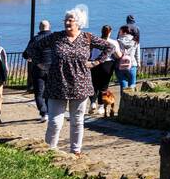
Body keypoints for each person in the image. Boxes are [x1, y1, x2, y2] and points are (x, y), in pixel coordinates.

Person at [26, 9, 112, 155]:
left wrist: (96, 62)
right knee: (54, 122)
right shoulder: (56, 37)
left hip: (80, 85)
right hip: (57, 85)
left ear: (78, 22)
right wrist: (40, 63)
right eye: (65, 19)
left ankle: (75, 151)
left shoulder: (87, 38)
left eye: (70, 20)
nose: (67, 22)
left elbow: (109, 47)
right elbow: (32, 48)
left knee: (77, 121)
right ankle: (50, 152)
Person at [23, 19, 52, 121]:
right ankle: (49, 112)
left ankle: (44, 113)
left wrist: (31, 57)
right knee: (49, 92)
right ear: (50, 27)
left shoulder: (35, 39)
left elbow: (26, 54)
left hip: (38, 69)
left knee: (39, 93)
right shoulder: (54, 38)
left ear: (39, 28)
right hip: (52, 69)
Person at [89, 25, 121, 116]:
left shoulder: (95, 41)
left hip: (94, 63)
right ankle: (101, 107)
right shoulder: (113, 43)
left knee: (93, 85)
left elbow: (89, 52)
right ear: (110, 32)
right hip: (108, 64)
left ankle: (92, 103)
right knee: (104, 86)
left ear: (101, 31)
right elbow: (118, 55)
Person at [114, 24, 140, 115]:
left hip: (120, 65)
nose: (118, 32)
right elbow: (137, 55)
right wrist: (138, 65)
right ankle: (132, 108)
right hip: (132, 65)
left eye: (120, 31)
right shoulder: (135, 41)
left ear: (123, 32)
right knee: (132, 85)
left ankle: (123, 108)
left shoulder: (117, 41)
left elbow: (116, 54)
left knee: (123, 86)